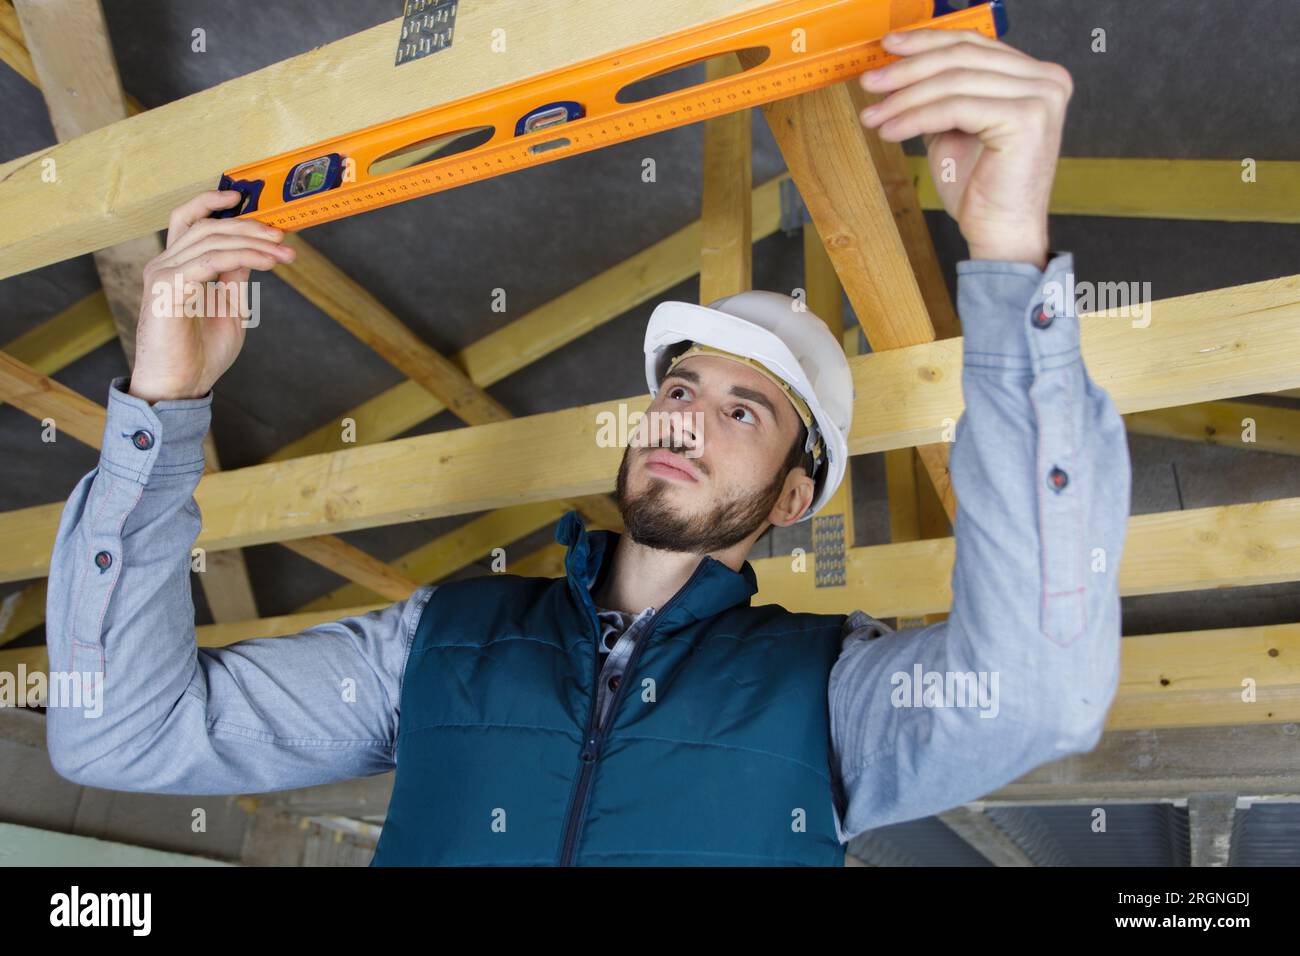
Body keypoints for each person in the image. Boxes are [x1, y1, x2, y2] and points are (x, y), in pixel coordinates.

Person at [44, 27, 1130, 865]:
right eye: (679, 385)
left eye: (743, 411)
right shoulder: (434, 644)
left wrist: (1004, 260)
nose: (685, 415)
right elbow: (113, 738)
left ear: (794, 498)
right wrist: (165, 405)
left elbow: (1037, 692)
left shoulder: (829, 694)